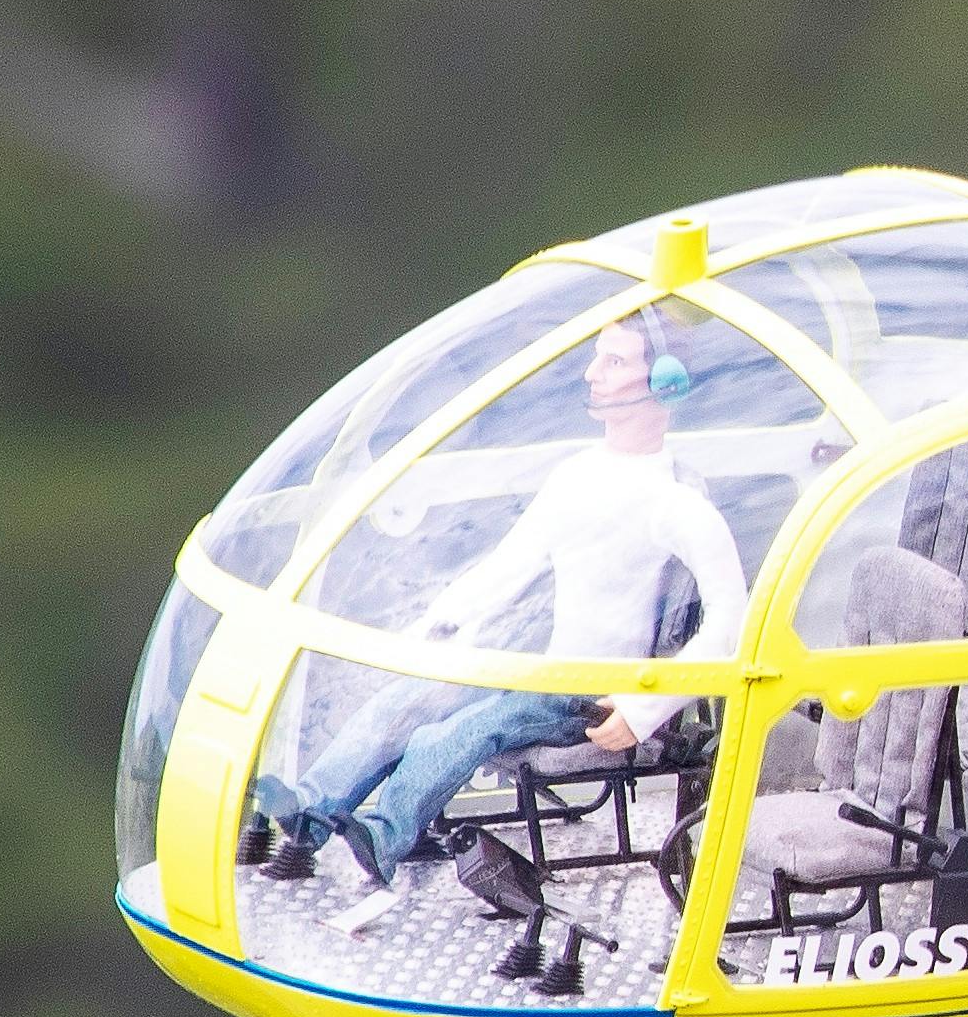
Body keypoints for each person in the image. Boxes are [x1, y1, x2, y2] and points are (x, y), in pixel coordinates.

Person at [273, 312, 757, 885]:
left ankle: (385, 836)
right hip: (536, 667)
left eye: (616, 361)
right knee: (406, 703)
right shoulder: (575, 475)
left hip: (585, 696)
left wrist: (643, 709)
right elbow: (508, 565)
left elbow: (731, 622)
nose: (591, 373)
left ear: (665, 382)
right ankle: (312, 810)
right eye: (598, 356)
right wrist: (434, 630)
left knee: (457, 732)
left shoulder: (678, 504)